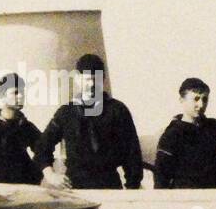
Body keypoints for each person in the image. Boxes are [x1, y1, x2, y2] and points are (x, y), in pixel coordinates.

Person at [35, 54, 143, 190]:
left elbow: (132, 153)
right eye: (87, 80)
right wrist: (51, 175)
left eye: (96, 80)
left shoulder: (117, 110)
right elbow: (42, 147)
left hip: (109, 185)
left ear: (103, 79)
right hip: (76, 187)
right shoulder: (66, 112)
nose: (91, 85)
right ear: (77, 79)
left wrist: (132, 188)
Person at [154, 78, 216, 189]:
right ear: (182, 100)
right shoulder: (172, 134)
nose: (201, 104)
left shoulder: (213, 126)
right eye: (196, 99)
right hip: (186, 195)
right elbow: (161, 174)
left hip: (215, 194)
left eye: (205, 99)